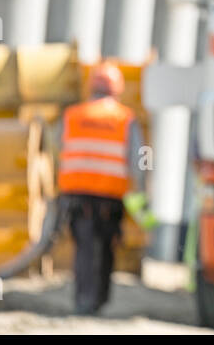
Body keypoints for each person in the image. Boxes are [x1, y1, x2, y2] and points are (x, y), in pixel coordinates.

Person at [54, 60, 146, 316]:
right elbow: (139, 161)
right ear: (116, 89)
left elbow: (56, 149)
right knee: (106, 247)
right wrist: (141, 195)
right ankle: (99, 300)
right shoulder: (125, 118)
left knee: (83, 247)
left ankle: (83, 299)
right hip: (109, 197)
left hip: (75, 195)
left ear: (91, 86)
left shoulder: (73, 115)